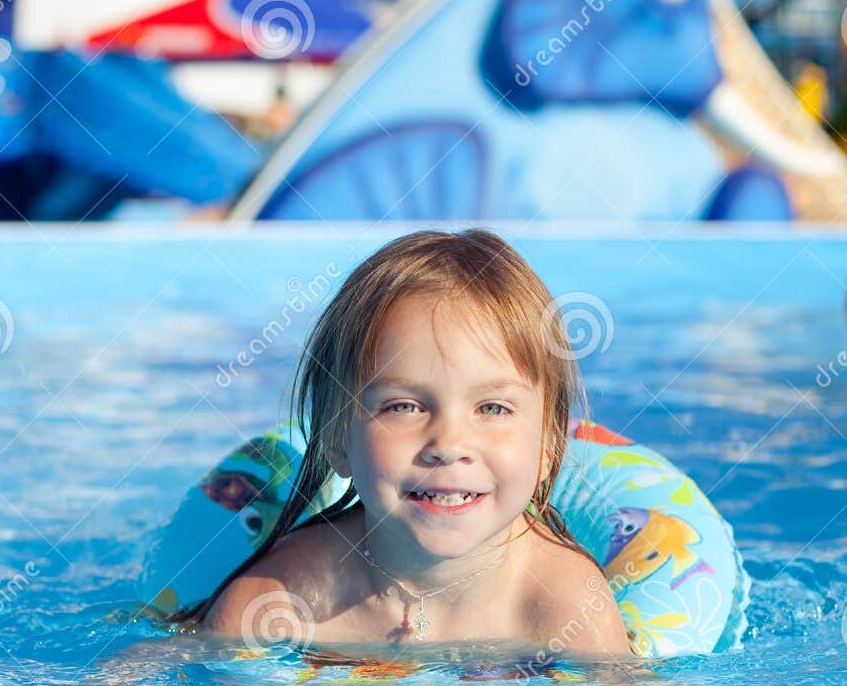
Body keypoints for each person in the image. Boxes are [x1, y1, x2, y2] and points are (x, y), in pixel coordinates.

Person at [194, 228, 632, 658]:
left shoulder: (564, 605)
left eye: (493, 408)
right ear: (336, 438)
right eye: (404, 406)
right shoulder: (283, 600)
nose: (449, 443)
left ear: (549, 448)